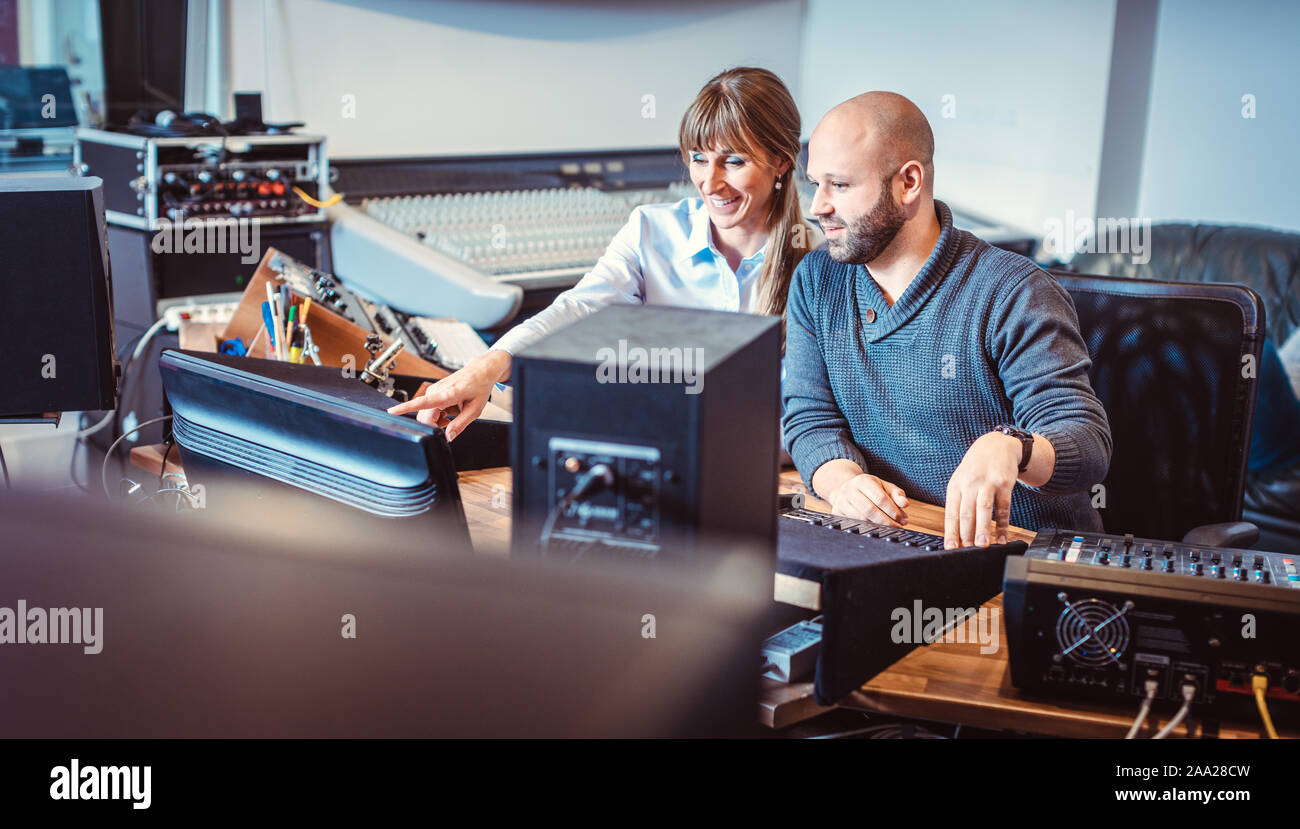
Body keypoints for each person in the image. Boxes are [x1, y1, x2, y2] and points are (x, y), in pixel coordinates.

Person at [389, 67, 812, 437]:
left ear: (780, 161)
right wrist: (486, 367)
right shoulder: (651, 229)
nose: (710, 182)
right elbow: (579, 310)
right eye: (699, 159)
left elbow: (811, 416)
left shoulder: (819, 260)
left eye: (734, 161)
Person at [782, 91, 1112, 549]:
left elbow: (1087, 441)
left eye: (839, 186)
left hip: (1021, 556)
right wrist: (842, 484)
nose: (817, 206)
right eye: (816, 183)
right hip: (896, 540)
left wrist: (1011, 446)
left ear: (908, 182)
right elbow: (809, 417)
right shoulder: (818, 281)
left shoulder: (1014, 291)